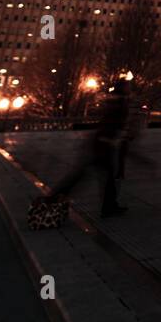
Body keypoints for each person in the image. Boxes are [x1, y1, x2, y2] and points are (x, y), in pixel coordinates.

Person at [46, 75, 129, 217]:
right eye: (127, 86)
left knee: (86, 175)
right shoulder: (119, 102)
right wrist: (112, 138)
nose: (129, 89)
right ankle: (108, 206)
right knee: (94, 176)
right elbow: (112, 122)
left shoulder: (113, 100)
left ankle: (56, 196)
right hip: (104, 144)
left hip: (101, 143)